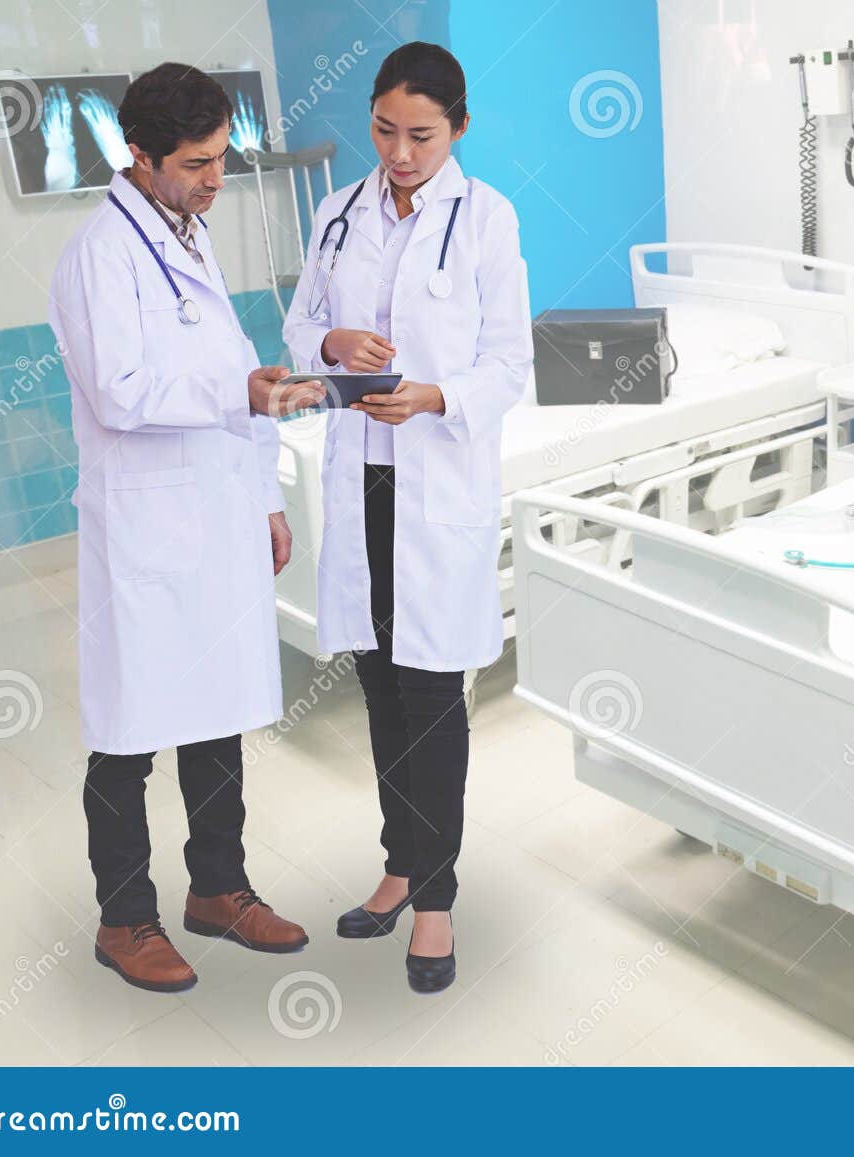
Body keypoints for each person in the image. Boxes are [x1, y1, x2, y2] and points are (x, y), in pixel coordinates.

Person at [48, 63, 324, 992]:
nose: (215, 179)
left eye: (222, 159)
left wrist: (268, 498)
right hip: (145, 530)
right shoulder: (100, 253)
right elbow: (121, 394)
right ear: (139, 154)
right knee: (127, 733)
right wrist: (238, 392)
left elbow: (235, 367)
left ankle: (220, 890)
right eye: (197, 163)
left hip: (216, 514)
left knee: (215, 719)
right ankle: (125, 917)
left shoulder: (190, 234)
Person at [282, 42, 533, 994]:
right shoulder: (339, 212)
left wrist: (433, 397)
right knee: (380, 685)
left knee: (432, 696)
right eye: (384, 130)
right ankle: (399, 858)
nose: (398, 151)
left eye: (420, 135)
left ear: (457, 128)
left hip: (436, 481)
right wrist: (330, 340)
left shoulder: (486, 220)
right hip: (362, 482)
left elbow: (509, 363)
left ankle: (435, 899)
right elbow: (302, 326)